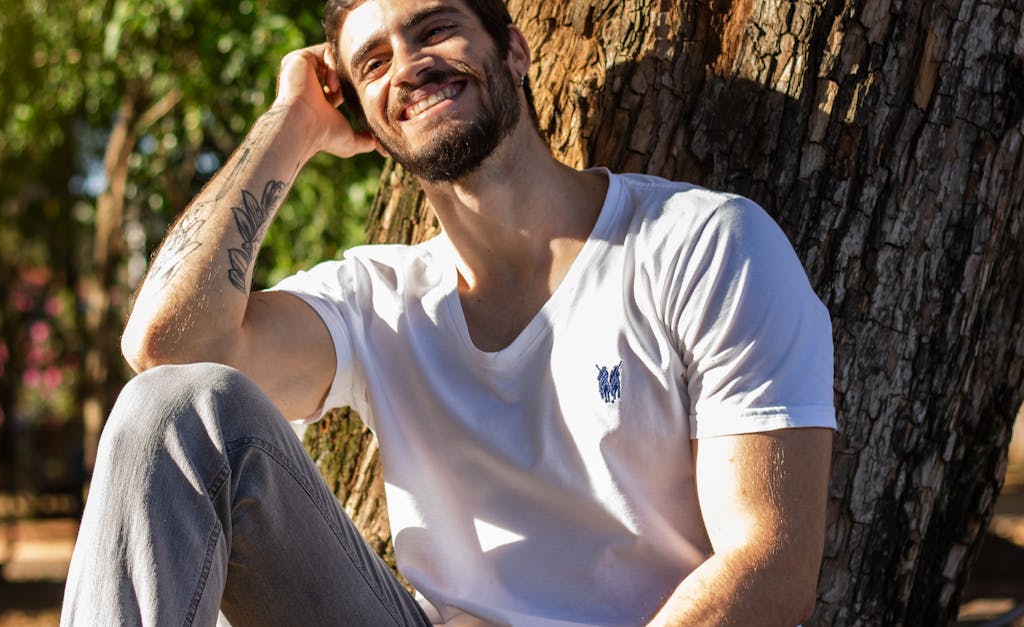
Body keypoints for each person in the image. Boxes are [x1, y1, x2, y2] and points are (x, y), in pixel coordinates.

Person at [60, 0, 837, 624]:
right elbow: (167, 347)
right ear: (364, 118)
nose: (409, 65)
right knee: (173, 407)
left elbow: (767, 566)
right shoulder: (375, 301)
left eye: (435, 28)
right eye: (372, 62)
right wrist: (291, 123)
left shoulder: (702, 245)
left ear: (515, 51)